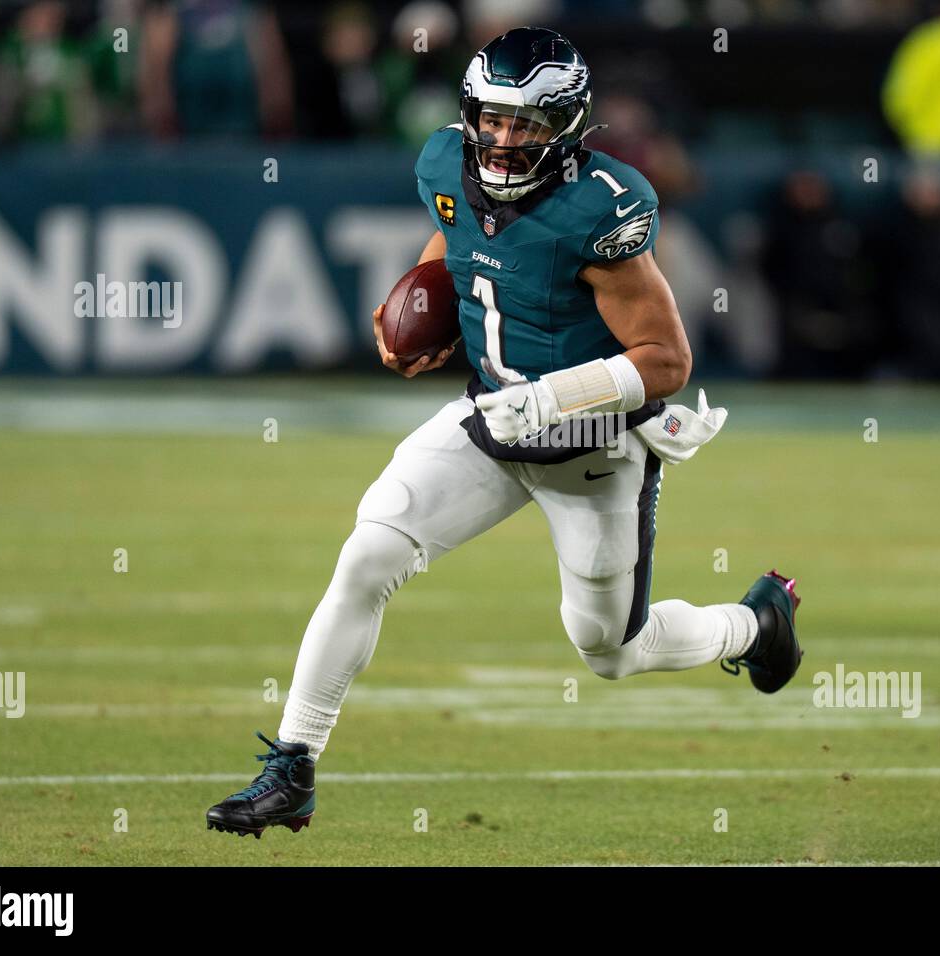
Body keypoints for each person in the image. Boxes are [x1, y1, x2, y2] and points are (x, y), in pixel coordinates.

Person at [205, 27, 804, 839]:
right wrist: (414, 308)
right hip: (488, 420)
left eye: (524, 124)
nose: (502, 139)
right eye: (490, 118)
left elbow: (665, 359)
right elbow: (454, 240)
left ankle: (756, 623)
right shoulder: (444, 164)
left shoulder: (601, 207)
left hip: (592, 449)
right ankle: (294, 768)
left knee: (610, 650)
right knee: (368, 554)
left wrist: (553, 399)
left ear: (566, 126)